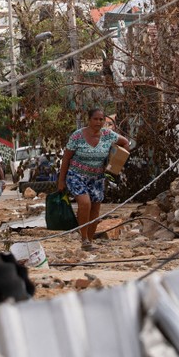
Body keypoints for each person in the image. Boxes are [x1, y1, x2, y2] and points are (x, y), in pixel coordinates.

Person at [57, 107, 130, 250]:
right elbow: (66, 159)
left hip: (97, 177)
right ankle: (84, 238)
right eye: (95, 119)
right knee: (85, 204)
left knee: (95, 210)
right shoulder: (77, 136)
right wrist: (61, 180)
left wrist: (116, 161)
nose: (98, 122)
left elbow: (125, 143)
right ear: (89, 120)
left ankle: (89, 241)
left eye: (101, 119)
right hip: (76, 175)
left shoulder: (108, 135)